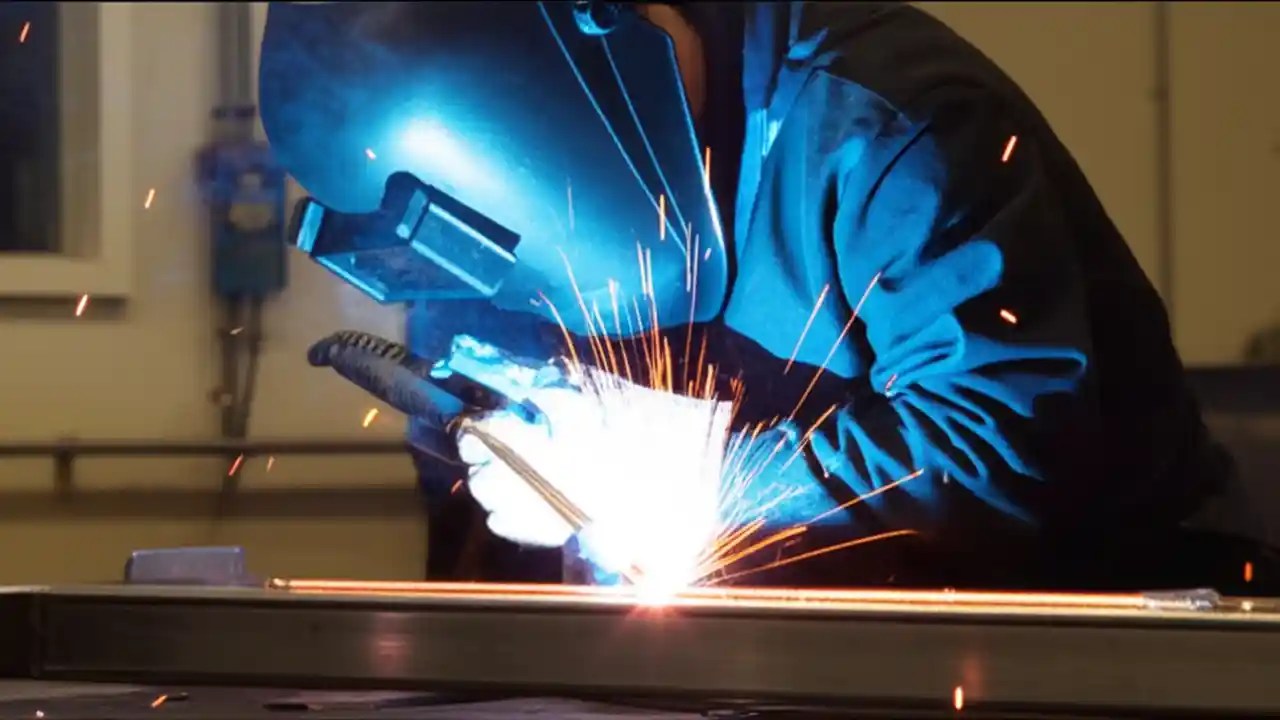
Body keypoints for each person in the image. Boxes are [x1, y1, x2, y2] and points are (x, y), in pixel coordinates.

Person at [260, 2, 1275, 593]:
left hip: (1097, 610)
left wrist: (699, 475)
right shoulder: (458, 199)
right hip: (781, 650)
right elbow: (479, 510)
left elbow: (1002, 452)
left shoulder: (883, 123)